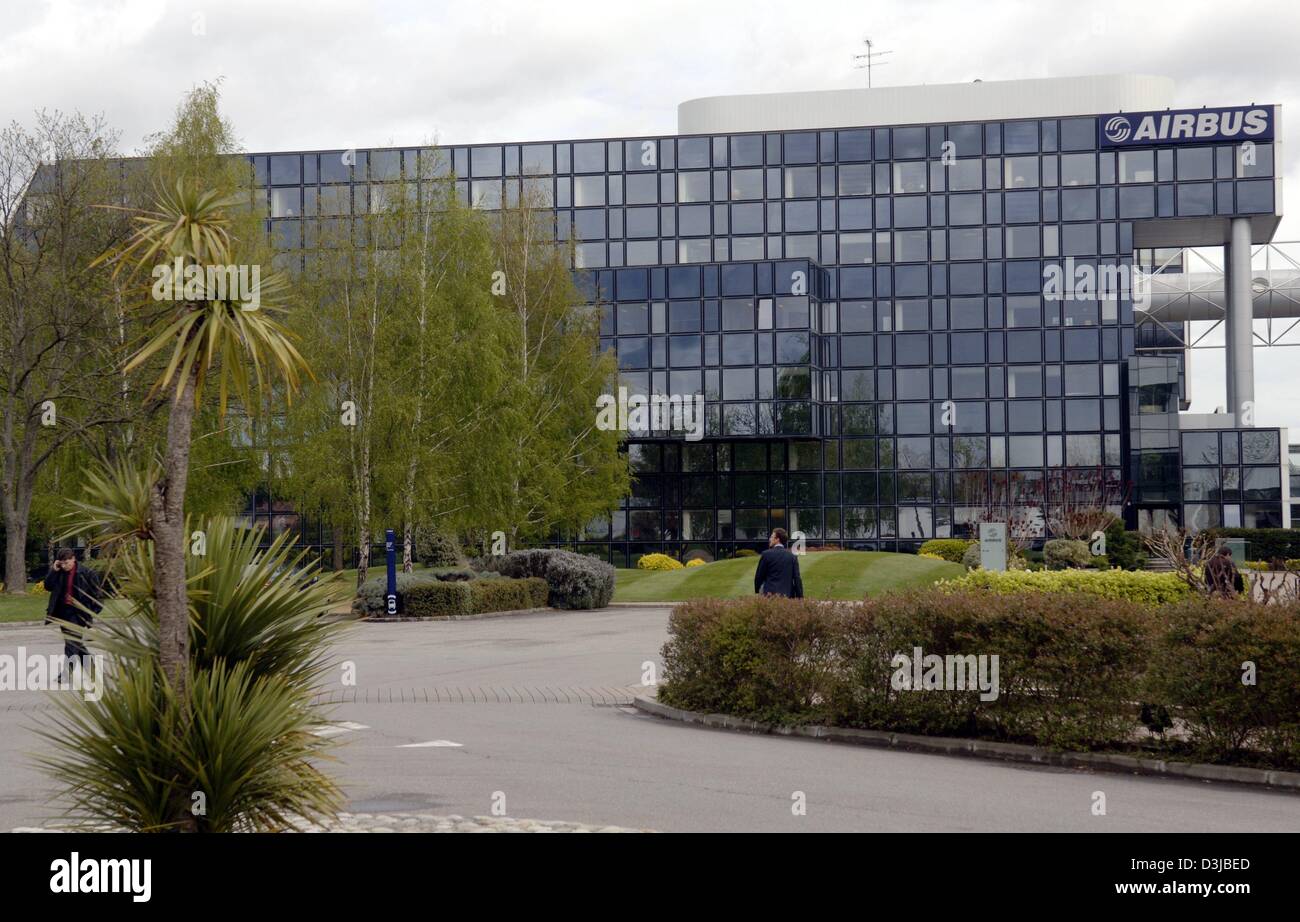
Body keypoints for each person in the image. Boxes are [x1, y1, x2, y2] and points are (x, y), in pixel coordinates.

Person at [43, 549, 104, 677]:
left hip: (79, 613)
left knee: (71, 643)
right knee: (75, 643)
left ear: (73, 559)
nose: (64, 566)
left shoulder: (87, 573)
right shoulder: (59, 572)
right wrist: (54, 570)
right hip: (63, 613)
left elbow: (98, 597)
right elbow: (48, 586)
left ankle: (66, 673)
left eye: (67, 563)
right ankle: (92, 669)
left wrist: (89, 612)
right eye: (62, 563)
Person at [753, 528, 804, 598]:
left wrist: (757, 590)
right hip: (787, 597)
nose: (770, 539)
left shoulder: (766, 554)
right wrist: (800, 597)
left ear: (777, 539)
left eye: (772, 537)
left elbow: (759, 576)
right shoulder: (792, 557)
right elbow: (797, 579)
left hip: (769, 596)